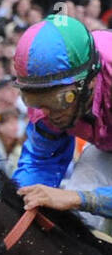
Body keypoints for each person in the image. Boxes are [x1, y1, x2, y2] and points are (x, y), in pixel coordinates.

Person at [11, 16, 112, 221]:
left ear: (89, 83)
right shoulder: (45, 105)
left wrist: (79, 199)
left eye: (57, 100)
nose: (47, 114)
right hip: (105, 150)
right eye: (35, 100)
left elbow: (73, 198)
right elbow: (41, 162)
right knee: (79, 207)